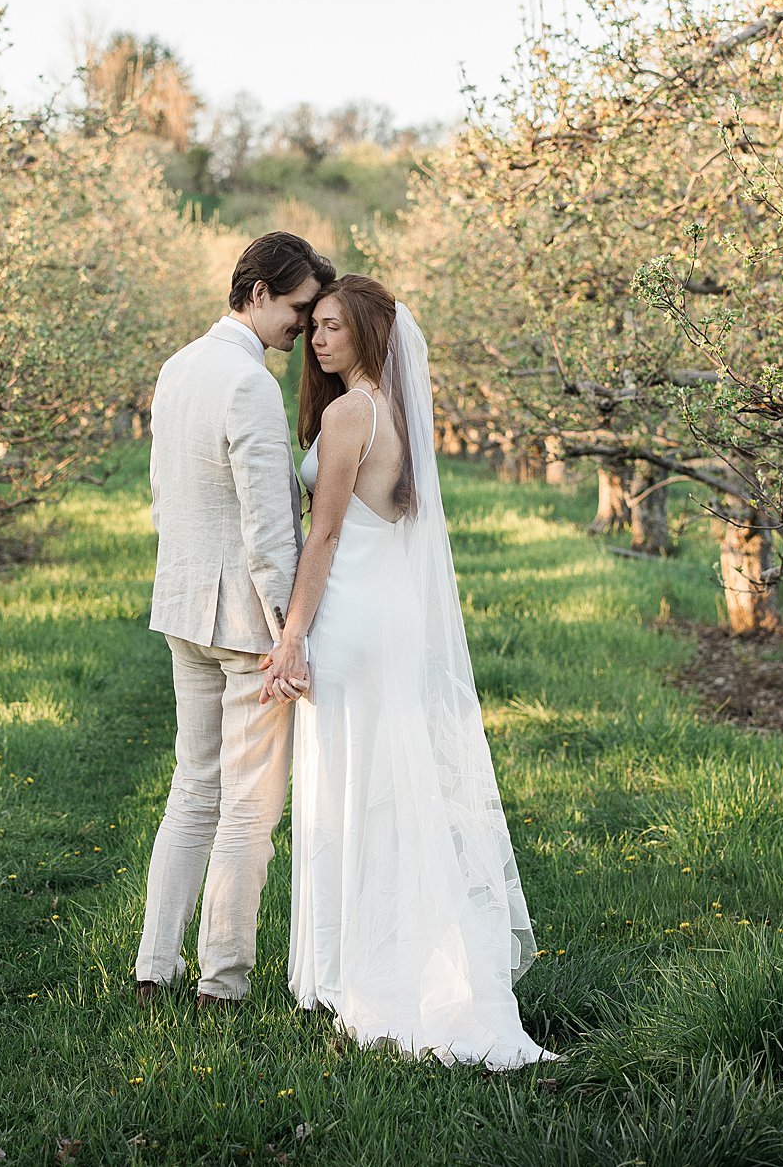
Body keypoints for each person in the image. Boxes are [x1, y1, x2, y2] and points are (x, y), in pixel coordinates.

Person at [272, 274, 553, 1068]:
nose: (319, 339)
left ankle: (361, 962)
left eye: (333, 326)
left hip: (352, 621)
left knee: (352, 786)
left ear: (365, 331)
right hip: (389, 618)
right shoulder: (395, 413)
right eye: (314, 326)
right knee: (389, 790)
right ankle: (395, 945)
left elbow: (323, 538)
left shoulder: (349, 412)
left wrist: (292, 635)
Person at [133, 231, 335, 1006]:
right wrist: (291, 630)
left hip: (184, 605)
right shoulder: (248, 384)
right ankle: (223, 980)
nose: (303, 327)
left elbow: (164, 496)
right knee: (249, 804)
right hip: (247, 625)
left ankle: (156, 966)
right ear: (256, 293)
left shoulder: (179, 366)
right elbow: (269, 526)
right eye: (295, 308)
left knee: (194, 787)